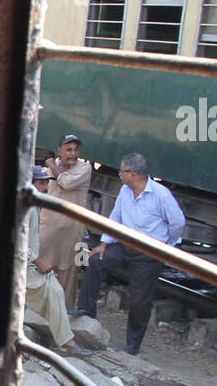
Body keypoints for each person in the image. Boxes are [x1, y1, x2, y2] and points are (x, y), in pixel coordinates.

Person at [72, 152, 185, 355]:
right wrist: (105, 243)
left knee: (140, 298)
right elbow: (115, 217)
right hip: (125, 246)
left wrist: (166, 246)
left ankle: (132, 346)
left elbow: (178, 223)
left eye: (121, 171)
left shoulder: (161, 195)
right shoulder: (125, 190)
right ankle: (87, 311)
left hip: (149, 252)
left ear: (133, 174)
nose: (119, 175)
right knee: (95, 261)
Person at [28, 166, 92, 357]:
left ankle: (66, 342)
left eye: (46, 182)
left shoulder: (33, 203)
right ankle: (67, 343)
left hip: (23, 263)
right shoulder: (28, 205)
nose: (45, 187)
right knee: (51, 291)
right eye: (41, 183)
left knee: (54, 291)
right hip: (20, 265)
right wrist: (37, 260)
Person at [40, 134, 92, 309]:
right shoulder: (48, 170)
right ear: (59, 151)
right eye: (68, 149)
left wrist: (52, 165)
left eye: (76, 149)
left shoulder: (84, 169)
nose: (73, 153)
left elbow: (67, 183)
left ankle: (65, 314)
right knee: (39, 269)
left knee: (69, 277)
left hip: (73, 232)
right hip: (48, 228)